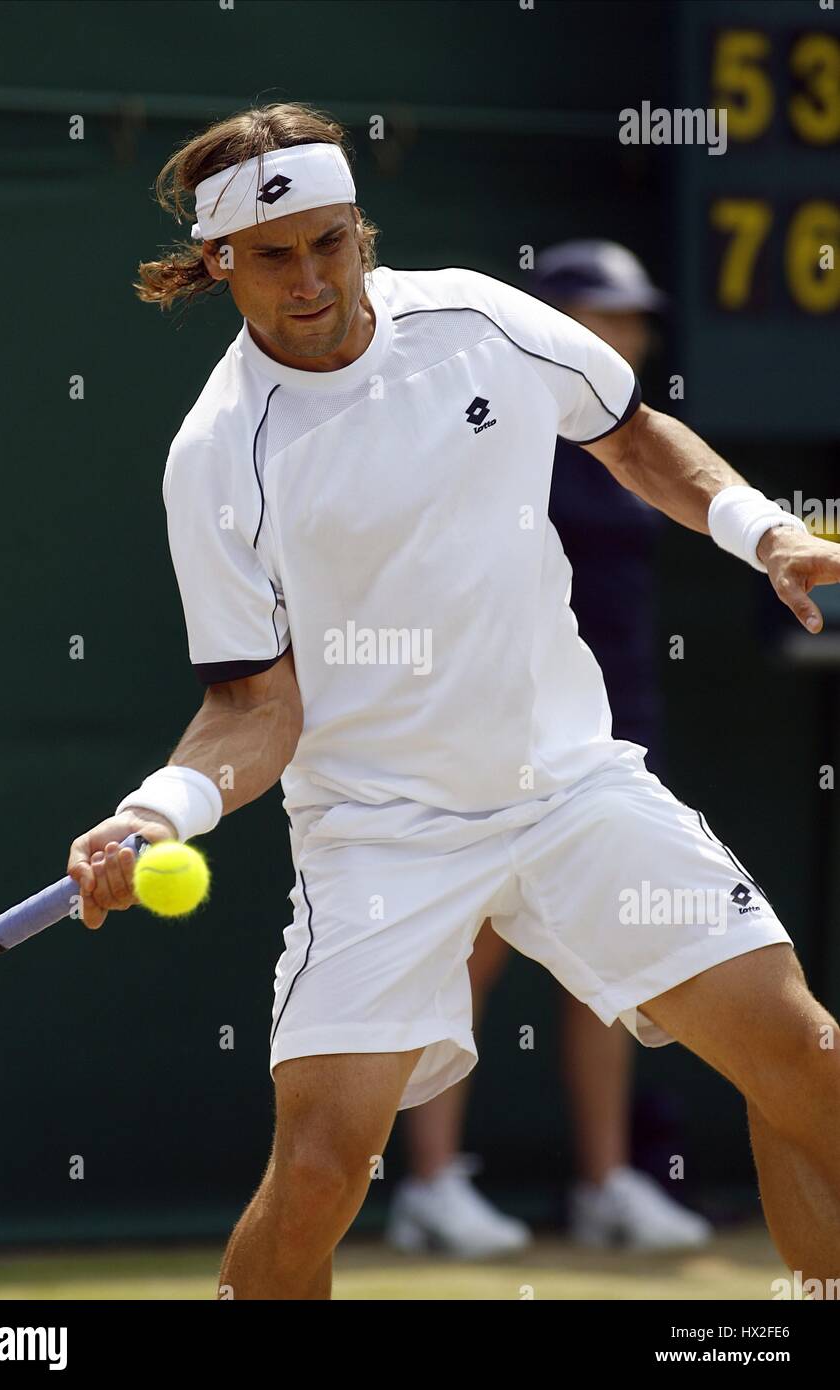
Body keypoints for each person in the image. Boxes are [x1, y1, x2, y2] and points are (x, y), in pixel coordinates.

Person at [66, 103, 840, 1301]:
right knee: (319, 1175)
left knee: (803, 1057)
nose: (314, 279)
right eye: (275, 256)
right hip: (382, 834)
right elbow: (251, 707)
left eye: (333, 241)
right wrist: (157, 812)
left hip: (572, 786)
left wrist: (767, 533)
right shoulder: (218, 455)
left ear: (361, 229)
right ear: (222, 263)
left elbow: (634, 440)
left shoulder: (485, 320)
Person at [386, 242, 710, 1256]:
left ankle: (606, 1183)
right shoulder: (498, 429)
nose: (626, 334)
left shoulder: (626, 436)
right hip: (501, 728)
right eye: (602, 315)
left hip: (614, 723)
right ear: (553, 319)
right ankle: (429, 1188)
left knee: (605, 960)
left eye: (635, 316)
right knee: (472, 956)